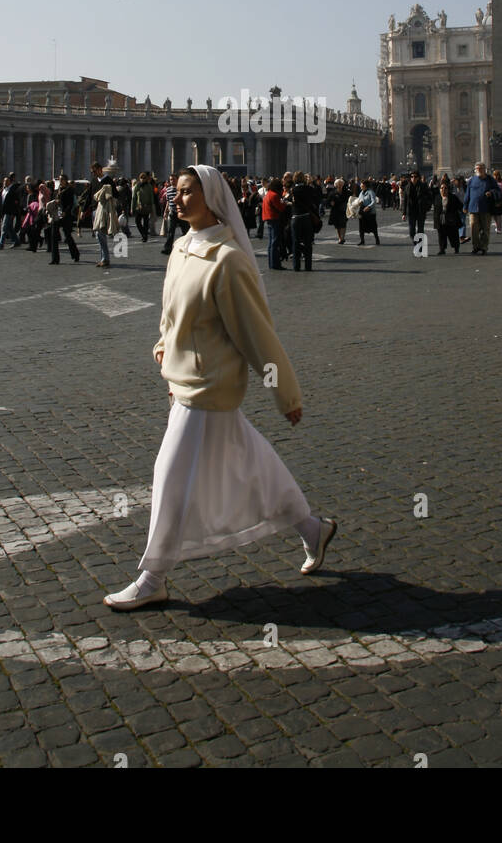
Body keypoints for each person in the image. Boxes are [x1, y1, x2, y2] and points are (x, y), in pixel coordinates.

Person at [104, 164, 336, 611]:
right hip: (184, 378)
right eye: (176, 191)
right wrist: (162, 345)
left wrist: (286, 393)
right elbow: (172, 312)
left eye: (188, 192)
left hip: (209, 385)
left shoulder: (228, 262)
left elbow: (256, 333)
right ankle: (312, 528)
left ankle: (153, 578)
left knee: (168, 475)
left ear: (212, 199)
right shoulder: (181, 249)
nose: (177, 198)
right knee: (254, 465)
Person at [463, 162, 501, 255]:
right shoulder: (471, 180)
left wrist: (491, 192)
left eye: (481, 168)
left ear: (485, 169)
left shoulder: (490, 179)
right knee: (473, 228)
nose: (479, 170)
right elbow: (467, 194)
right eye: (477, 168)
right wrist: (465, 206)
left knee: (485, 229)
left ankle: (484, 247)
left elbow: (497, 190)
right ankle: (475, 246)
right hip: (473, 207)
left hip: (486, 208)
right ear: (475, 170)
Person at [289, 170, 315, 272]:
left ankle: (296, 266)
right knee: (308, 243)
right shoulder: (309, 189)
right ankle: (308, 266)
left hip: (295, 218)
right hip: (306, 217)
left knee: (295, 243)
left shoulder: (293, 190)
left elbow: (291, 202)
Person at [432, 176, 463, 254]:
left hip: (451, 219)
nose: (443, 190)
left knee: (453, 234)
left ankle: (456, 248)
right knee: (441, 235)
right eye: (442, 188)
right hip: (441, 219)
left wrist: (463, 210)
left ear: (448, 189)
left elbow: (460, 206)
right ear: (439, 189)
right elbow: (436, 211)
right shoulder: (437, 198)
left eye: (445, 188)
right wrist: (436, 221)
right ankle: (442, 249)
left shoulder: (453, 197)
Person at [261, 178, 287, 270]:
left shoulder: (268, 194)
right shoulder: (274, 195)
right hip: (274, 218)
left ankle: (271, 263)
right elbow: (280, 208)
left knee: (271, 243)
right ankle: (275, 264)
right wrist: (284, 203)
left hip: (268, 218)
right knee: (275, 243)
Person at [132, 171, 156, 244]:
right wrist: (132, 208)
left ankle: (144, 236)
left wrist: (152, 207)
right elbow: (134, 198)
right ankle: (143, 233)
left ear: (146, 179)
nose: (143, 179)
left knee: (146, 222)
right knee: (137, 222)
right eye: (141, 178)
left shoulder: (149, 186)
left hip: (147, 207)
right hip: (138, 207)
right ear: (139, 179)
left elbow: (152, 197)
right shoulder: (137, 186)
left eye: (144, 178)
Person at [357, 179, 380, 245]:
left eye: (361, 185)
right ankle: (362, 240)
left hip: (370, 212)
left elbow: (374, 201)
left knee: (373, 227)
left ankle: (377, 239)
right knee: (361, 227)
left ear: (365, 185)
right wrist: (359, 203)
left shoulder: (371, 192)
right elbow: (359, 200)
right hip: (362, 212)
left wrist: (369, 207)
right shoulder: (361, 193)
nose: (360, 186)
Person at [327, 177, 349, 244]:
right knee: (337, 225)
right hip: (335, 210)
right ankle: (340, 237)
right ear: (335, 185)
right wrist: (331, 203)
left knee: (343, 224)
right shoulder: (332, 192)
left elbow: (350, 199)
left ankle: (342, 237)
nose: (339, 185)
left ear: (342, 184)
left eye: (340, 184)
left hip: (343, 210)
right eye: (338, 184)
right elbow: (328, 200)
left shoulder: (347, 191)